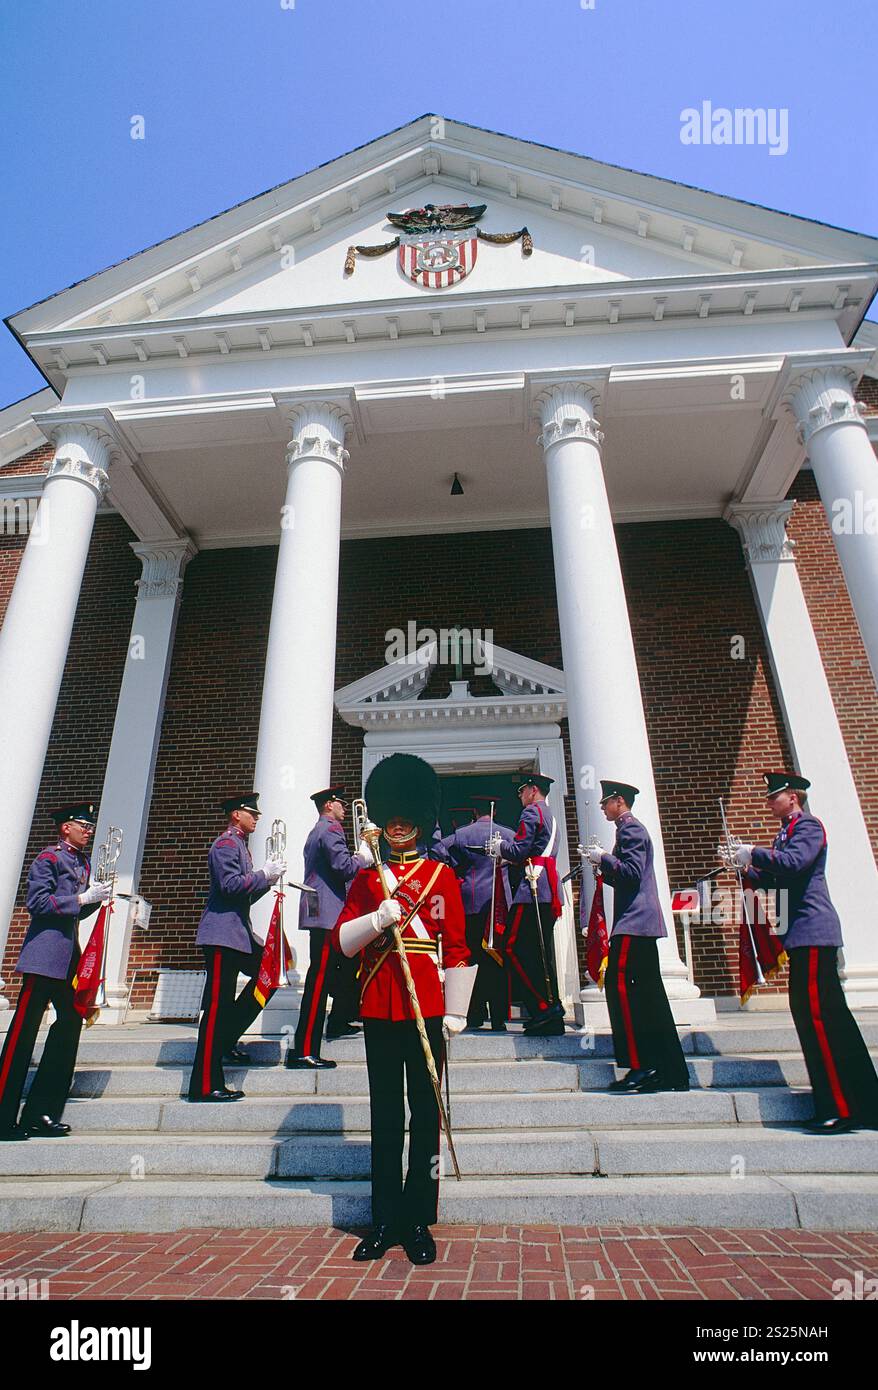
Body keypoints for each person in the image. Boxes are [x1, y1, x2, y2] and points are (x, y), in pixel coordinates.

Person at [332, 753, 475, 1265]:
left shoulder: (442, 878)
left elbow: (457, 948)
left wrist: (456, 1011)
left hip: (428, 1007)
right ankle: (385, 1217)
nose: (398, 827)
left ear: (419, 822)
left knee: (425, 1114)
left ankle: (418, 1217)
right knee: (386, 1113)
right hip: (379, 1005)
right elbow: (343, 942)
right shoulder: (368, 881)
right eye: (391, 819)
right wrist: (378, 915)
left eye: (406, 819)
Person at [725, 771, 878, 1134]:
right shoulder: (786, 833)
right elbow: (780, 879)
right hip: (802, 936)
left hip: (814, 932)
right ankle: (861, 1102)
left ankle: (839, 1107)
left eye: (772, 796)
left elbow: (794, 864)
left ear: (792, 796)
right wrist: (746, 867)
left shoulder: (807, 827)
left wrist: (755, 853)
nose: (768, 801)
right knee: (823, 1018)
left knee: (818, 1019)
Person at [0, 801, 111, 1141]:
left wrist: (96, 900)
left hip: (68, 959)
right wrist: (80, 899)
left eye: (90, 825)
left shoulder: (82, 861)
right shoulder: (48, 858)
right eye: (83, 824)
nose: (88, 830)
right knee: (22, 1035)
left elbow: (74, 914)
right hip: (44, 956)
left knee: (68, 1027)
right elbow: (37, 903)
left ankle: (42, 1111)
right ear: (66, 827)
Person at [582, 779, 689, 1093]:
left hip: (635, 923)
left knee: (622, 990)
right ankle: (666, 1069)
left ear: (619, 801)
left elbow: (631, 872)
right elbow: (626, 878)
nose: (602, 807)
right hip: (637, 922)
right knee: (646, 996)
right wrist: (601, 867)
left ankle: (642, 1065)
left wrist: (604, 857)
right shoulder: (627, 831)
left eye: (606, 802)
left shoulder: (631, 830)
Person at [187, 793, 285, 1102]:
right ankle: (204, 1084)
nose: (256, 817)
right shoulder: (227, 844)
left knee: (268, 976)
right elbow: (230, 887)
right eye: (250, 812)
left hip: (236, 934)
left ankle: (226, 1039)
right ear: (235, 815)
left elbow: (242, 895)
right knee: (217, 1009)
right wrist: (261, 875)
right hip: (221, 936)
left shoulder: (240, 845)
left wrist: (266, 881)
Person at [286, 786, 373, 1070]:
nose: (345, 808)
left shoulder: (319, 830)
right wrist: (362, 856)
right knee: (319, 980)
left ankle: (337, 1021)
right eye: (340, 803)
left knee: (335, 971)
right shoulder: (331, 829)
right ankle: (305, 1049)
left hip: (324, 911)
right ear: (328, 805)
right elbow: (344, 868)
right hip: (326, 912)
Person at [431, 797, 513, 1030]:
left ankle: (474, 1014)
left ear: (475, 812)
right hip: (497, 906)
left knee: (471, 960)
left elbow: (437, 851)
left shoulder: (462, 834)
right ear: (494, 812)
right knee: (496, 961)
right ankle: (498, 1019)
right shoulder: (508, 834)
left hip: (468, 904)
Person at [495, 772, 565, 1036]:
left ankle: (542, 1007)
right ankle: (550, 1007)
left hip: (533, 888)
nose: (520, 795)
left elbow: (519, 851)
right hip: (547, 888)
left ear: (533, 790)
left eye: (522, 790)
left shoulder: (531, 813)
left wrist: (500, 847)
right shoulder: (550, 815)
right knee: (541, 951)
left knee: (515, 947)